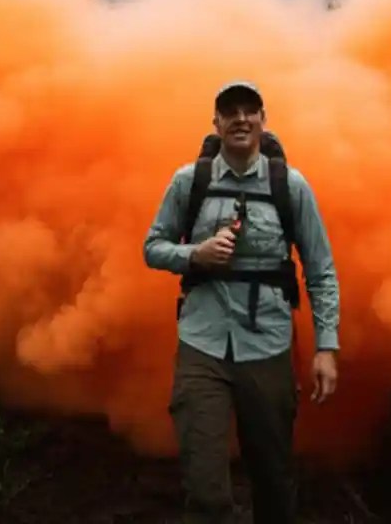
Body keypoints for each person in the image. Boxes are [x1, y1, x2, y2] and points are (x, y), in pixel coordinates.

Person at [143, 80, 342, 524]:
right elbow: (152, 247)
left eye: (249, 110)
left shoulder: (289, 186)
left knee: (272, 478)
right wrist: (195, 254)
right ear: (215, 122)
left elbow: (320, 269)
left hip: (266, 346)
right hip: (202, 345)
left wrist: (326, 347)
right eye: (229, 111)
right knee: (205, 485)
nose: (240, 118)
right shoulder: (189, 181)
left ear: (262, 120)